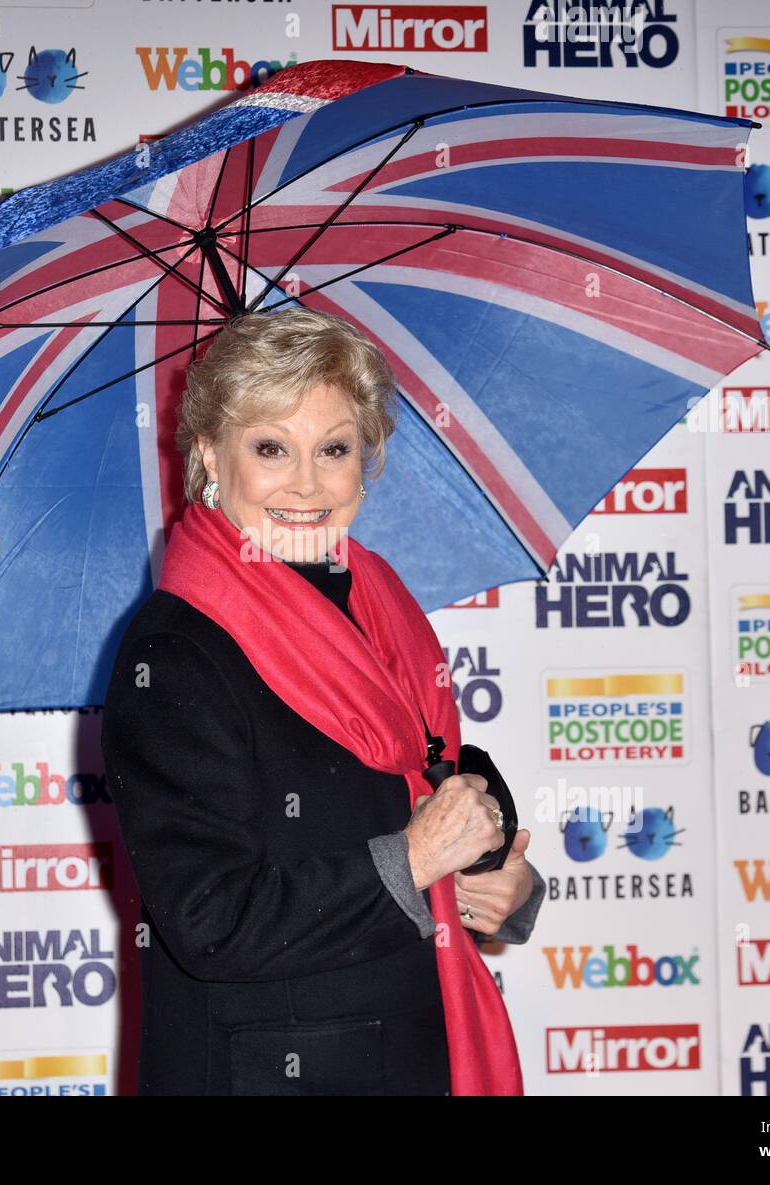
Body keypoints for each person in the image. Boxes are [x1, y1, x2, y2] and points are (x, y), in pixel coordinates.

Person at [100, 306, 545, 1096]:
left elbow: (431, 776)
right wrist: (412, 860)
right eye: (271, 447)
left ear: (364, 460)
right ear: (208, 455)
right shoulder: (174, 652)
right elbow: (210, 919)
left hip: (415, 1050)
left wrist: (497, 883)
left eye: (334, 448)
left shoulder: (380, 605)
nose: (306, 483)